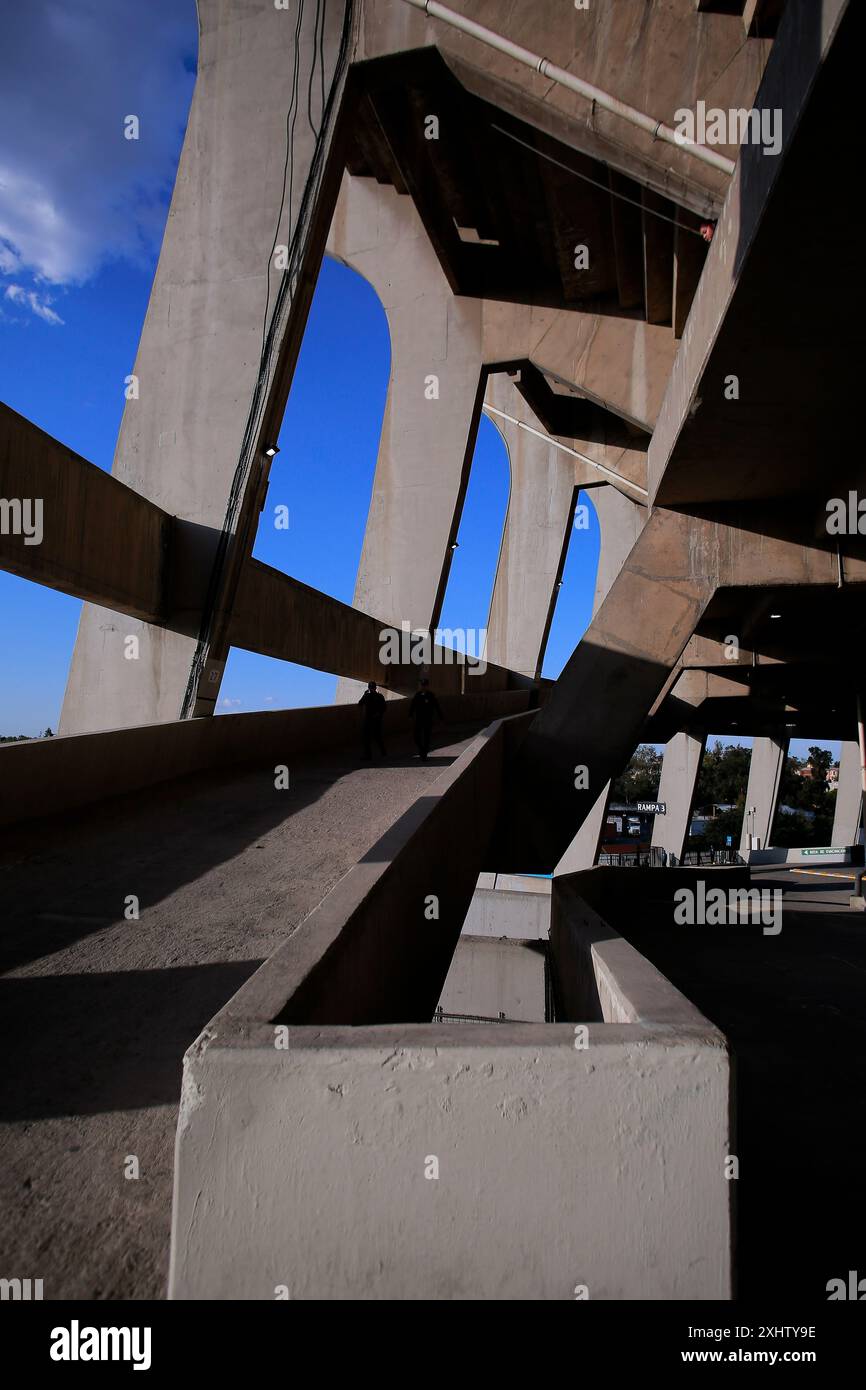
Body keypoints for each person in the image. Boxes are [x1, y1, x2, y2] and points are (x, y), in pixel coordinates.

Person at [409, 677, 442, 760]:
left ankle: (424, 753)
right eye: (422, 685)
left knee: (427, 737)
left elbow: (436, 706)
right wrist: (410, 715)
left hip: (428, 719)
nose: (423, 687)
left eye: (425, 685)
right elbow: (413, 705)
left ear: (427, 686)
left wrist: (441, 717)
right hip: (419, 719)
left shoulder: (431, 695)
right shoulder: (418, 695)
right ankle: (422, 749)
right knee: (416, 737)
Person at [358, 681, 386, 759]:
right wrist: (379, 714)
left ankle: (369, 755)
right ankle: (382, 752)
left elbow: (360, 704)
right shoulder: (379, 696)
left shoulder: (367, 696)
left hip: (369, 720)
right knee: (376, 737)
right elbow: (384, 708)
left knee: (368, 737)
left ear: (369, 688)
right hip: (375, 720)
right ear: (375, 687)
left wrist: (364, 694)